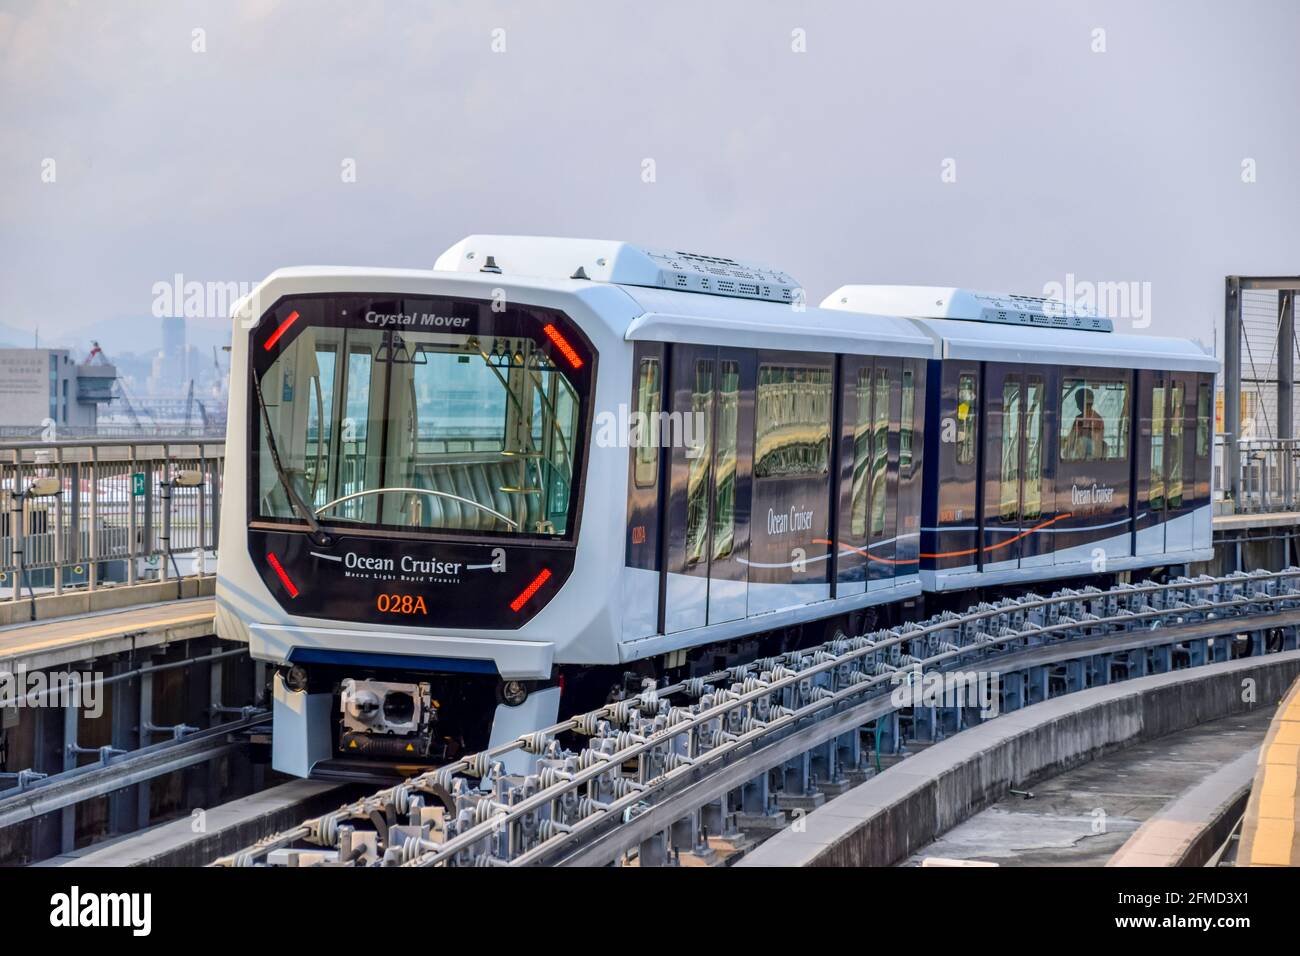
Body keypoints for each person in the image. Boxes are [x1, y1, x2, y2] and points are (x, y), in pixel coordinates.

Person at [1065, 387, 1106, 460]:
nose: (1077, 406)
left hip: (1086, 458)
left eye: (1078, 402)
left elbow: (1071, 441)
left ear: (1082, 403)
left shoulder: (1080, 419)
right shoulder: (1098, 418)